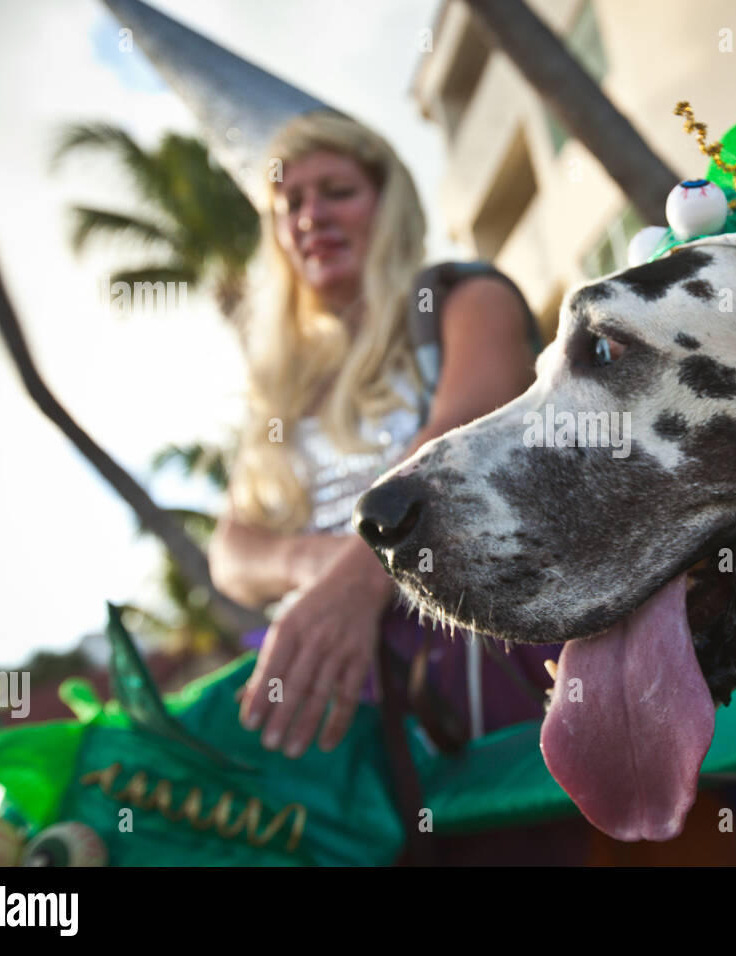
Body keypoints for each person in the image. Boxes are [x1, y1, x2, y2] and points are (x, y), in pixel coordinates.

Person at [208, 110, 539, 760]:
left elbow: (455, 449)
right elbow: (230, 551)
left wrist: (362, 579)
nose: (310, 217)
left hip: (480, 651)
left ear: (389, 205)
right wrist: (317, 570)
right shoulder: (282, 385)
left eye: (338, 191)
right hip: (332, 680)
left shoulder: (464, 299)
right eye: (290, 203)